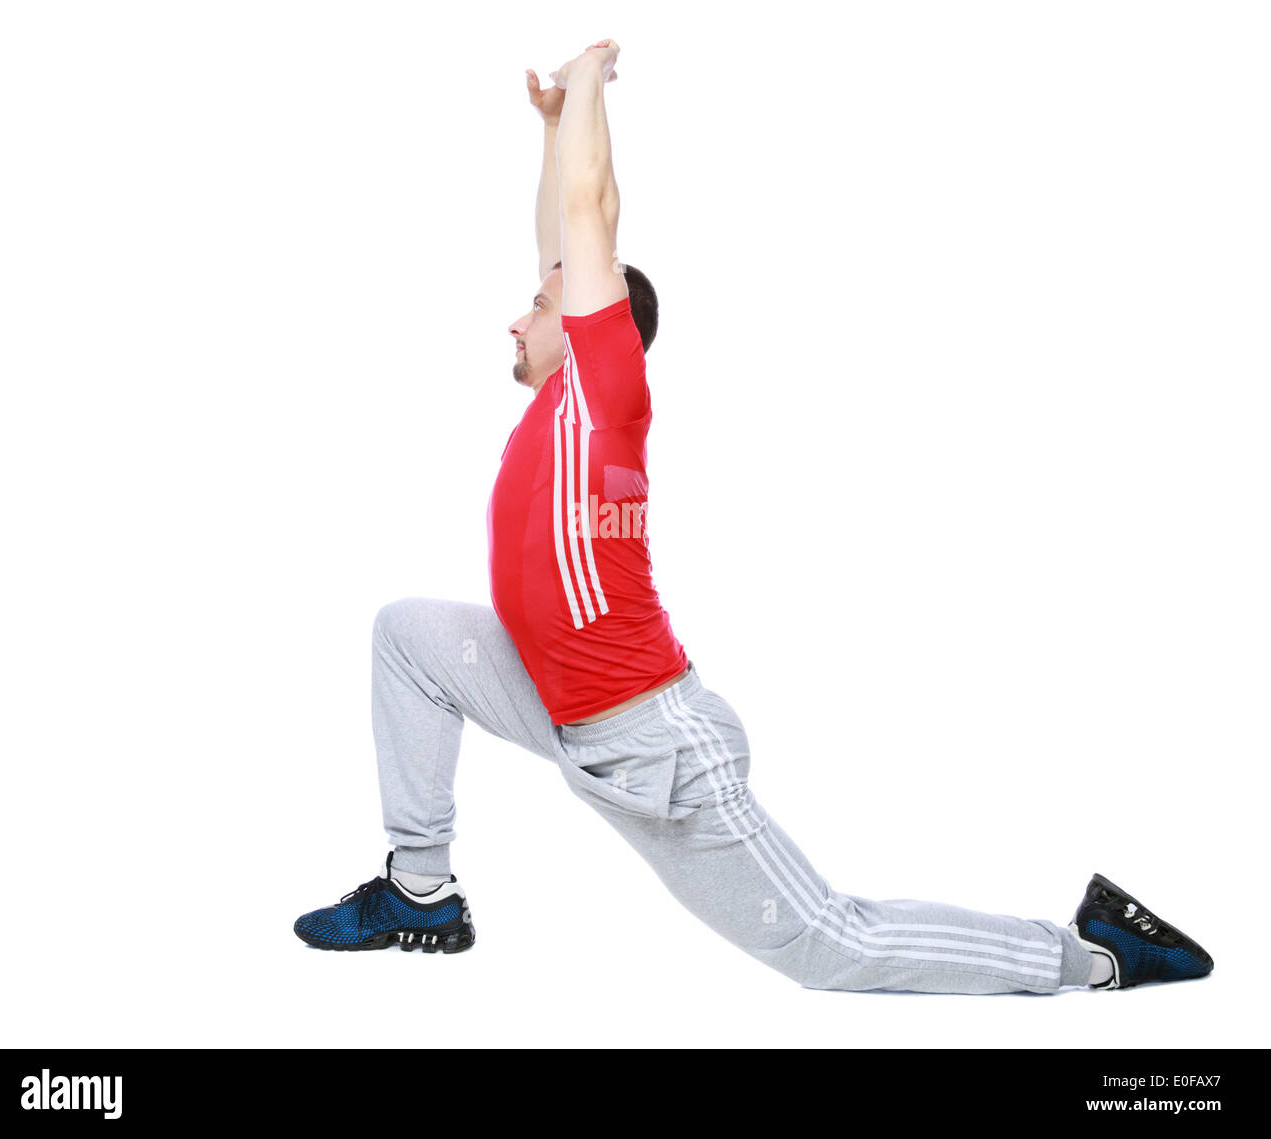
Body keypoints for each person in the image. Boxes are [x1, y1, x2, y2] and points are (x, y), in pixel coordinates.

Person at [293, 39, 1213, 993]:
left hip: (652, 745)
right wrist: (553, 127)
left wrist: (588, 91)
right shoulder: (556, 401)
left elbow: (587, 211)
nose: (514, 317)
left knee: (831, 945)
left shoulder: (606, 391)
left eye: (536, 302)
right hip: (558, 699)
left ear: (594, 323)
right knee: (407, 635)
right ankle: (420, 888)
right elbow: (562, 237)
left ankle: (1091, 952)